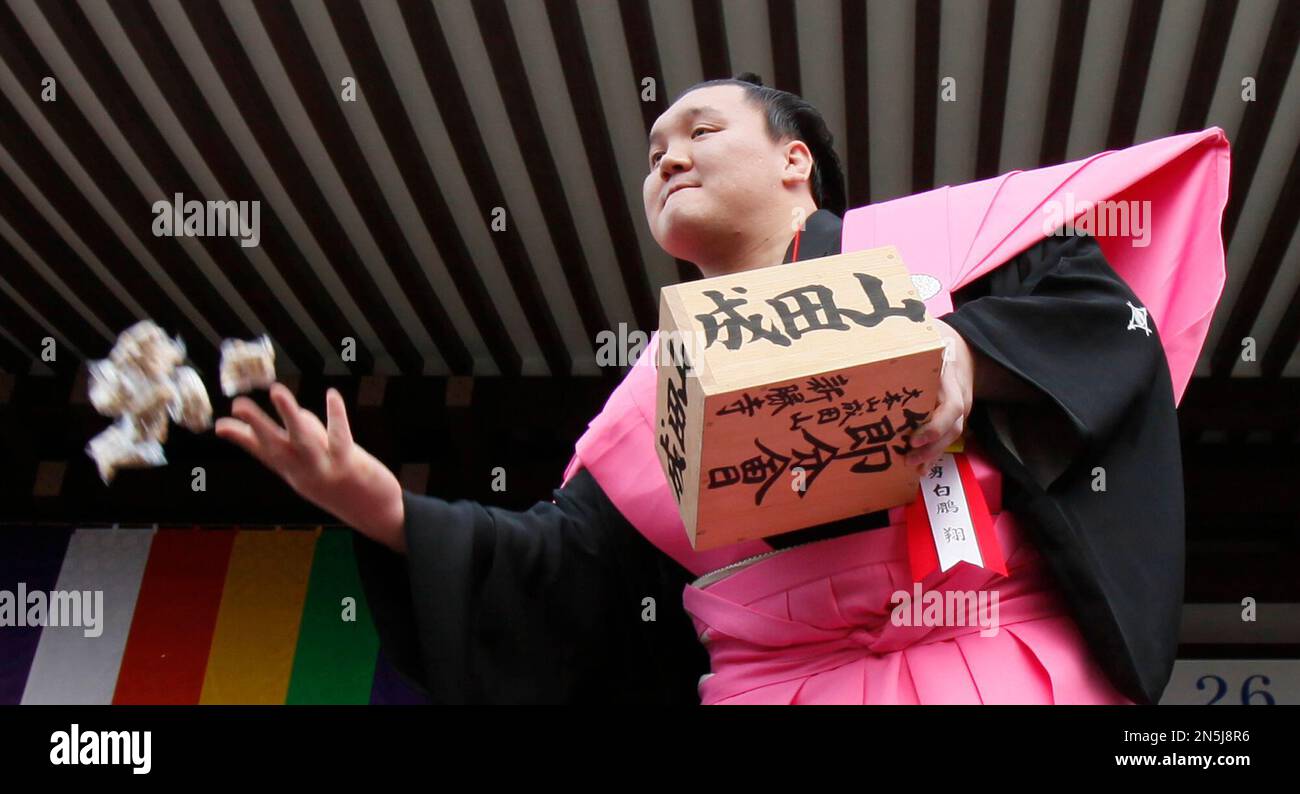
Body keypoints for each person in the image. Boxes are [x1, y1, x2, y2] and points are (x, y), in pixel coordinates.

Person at [216, 73, 1227, 704]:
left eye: (698, 130)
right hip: (776, 685)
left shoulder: (953, 244)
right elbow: (559, 572)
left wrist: (961, 356)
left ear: (797, 162)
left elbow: (1103, 324)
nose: (668, 157)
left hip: (988, 656)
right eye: (653, 154)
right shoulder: (641, 404)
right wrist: (383, 507)